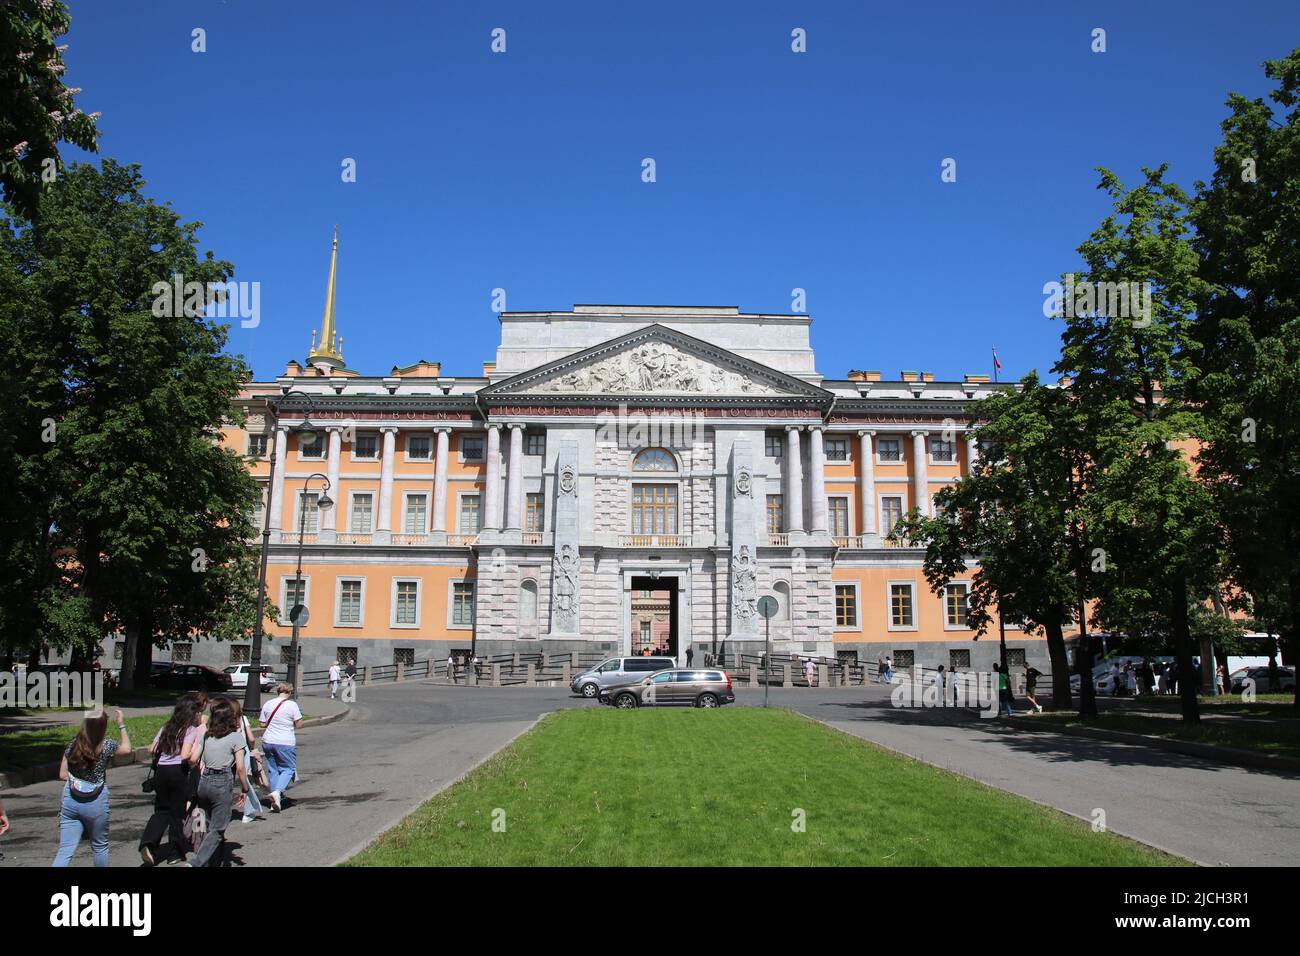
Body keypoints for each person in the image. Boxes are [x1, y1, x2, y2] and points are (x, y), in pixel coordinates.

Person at [53, 709, 132, 867]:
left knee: (65, 850)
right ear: (103, 727)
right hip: (96, 802)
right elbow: (127, 749)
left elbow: (62, 774)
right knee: (99, 846)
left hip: (71, 800)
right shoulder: (107, 746)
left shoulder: (73, 745)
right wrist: (121, 724)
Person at [139, 696, 204, 865]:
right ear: (192, 713)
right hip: (178, 772)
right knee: (177, 813)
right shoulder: (189, 730)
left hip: (161, 771)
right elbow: (185, 755)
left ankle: (148, 843)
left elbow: (151, 748)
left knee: (161, 809)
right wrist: (197, 752)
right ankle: (175, 852)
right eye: (198, 712)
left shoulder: (166, 727)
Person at [188, 697, 249, 867]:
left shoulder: (207, 735)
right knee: (218, 828)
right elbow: (241, 768)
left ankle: (211, 862)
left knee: (207, 825)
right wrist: (245, 789)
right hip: (222, 782)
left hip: (205, 781)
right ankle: (196, 862)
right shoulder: (236, 737)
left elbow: (193, 759)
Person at [258, 683, 302, 812]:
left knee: (273, 769)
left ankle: (274, 801)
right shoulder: (292, 705)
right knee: (288, 768)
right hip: (285, 742)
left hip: (268, 741)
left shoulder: (268, 703)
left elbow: (262, 723)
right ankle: (277, 792)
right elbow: (299, 724)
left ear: (278, 691)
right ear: (289, 692)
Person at [233, 698, 264, 823]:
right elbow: (251, 738)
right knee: (246, 781)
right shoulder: (242, 719)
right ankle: (248, 812)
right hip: (242, 750)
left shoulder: (222, 719)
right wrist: (252, 747)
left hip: (225, 750)